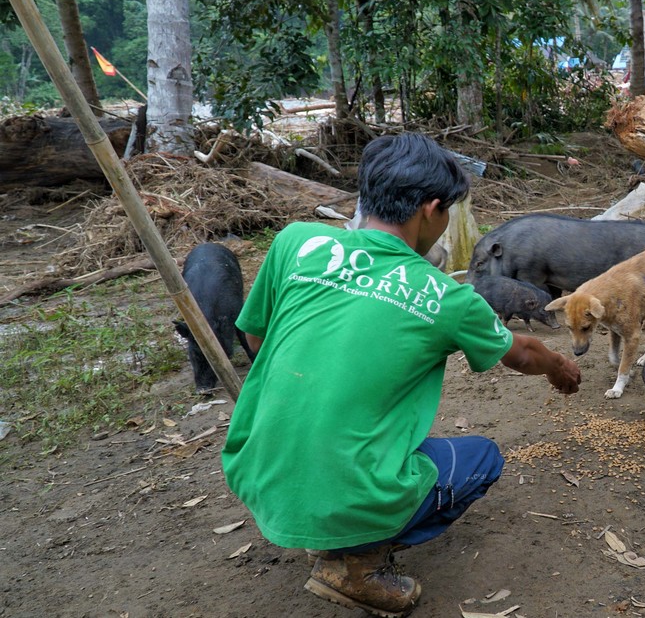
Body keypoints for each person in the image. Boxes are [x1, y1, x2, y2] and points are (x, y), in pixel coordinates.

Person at [221, 133, 582, 617]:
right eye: (449, 210)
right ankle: (356, 563)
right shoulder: (446, 297)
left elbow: (257, 339)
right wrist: (561, 368)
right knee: (483, 459)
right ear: (431, 209)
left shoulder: (295, 243)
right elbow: (522, 355)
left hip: (256, 467)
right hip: (343, 490)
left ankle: (321, 520)